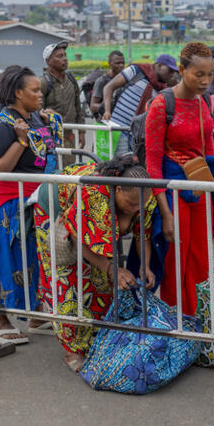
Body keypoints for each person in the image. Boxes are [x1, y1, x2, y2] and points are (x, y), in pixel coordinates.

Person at [33, 157, 157, 371]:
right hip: (53, 206)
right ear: (118, 189)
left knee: (100, 281)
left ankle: (94, 336)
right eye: (130, 204)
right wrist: (112, 268)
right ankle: (72, 349)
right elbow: (78, 239)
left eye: (140, 205)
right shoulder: (94, 195)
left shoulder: (145, 196)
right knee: (67, 277)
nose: (135, 209)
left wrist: (144, 265)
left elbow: (142, 234)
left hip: (88, 216)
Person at [0, 66, 61, 344]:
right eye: (34, 90)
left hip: (32, 197)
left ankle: (35, 314)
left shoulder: (35, 117)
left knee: (33, 258)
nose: (40, 94)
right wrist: (20, 141)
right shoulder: (1, 126)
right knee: (3, 259)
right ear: (18, 93)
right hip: (4, 200)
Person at [145, 42, 214, 316]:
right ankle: (175, 327)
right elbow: (153, 164)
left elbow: (209, 152)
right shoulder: (161, 105)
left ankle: (198, 321)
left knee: (200, 262)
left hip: (201, 190)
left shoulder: (203, 100)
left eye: (210, 74)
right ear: (181, 70)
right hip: (172, 195)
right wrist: (165, 212)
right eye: (199, 75)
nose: (206, 81)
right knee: (174, 265)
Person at [102, 53, 178, 155]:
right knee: (119, 166)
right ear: (159, 66)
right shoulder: (137, 70)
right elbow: (108, 87)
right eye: (170, 71)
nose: (171, 75)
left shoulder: (162, 90)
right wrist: (107, 111)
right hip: (119, 130)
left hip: (137, 138)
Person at [40, 41, 85, 150]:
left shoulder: (71, 79)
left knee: (70, 166)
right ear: (48, 61)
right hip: (51, 140)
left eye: (65, 55)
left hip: (69, 138)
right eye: (59, 56)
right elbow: (37, 112)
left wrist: (82, 132)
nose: (64, 59)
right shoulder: (44, 82)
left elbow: (78, 107)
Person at [89, 51, 126, 119]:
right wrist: (109, 107)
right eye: (117, 63)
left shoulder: (125, 79)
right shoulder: (102, 81)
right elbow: (93, 106)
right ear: (110, 64)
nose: (121, 65)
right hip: (105, 123)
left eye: (123, 63)